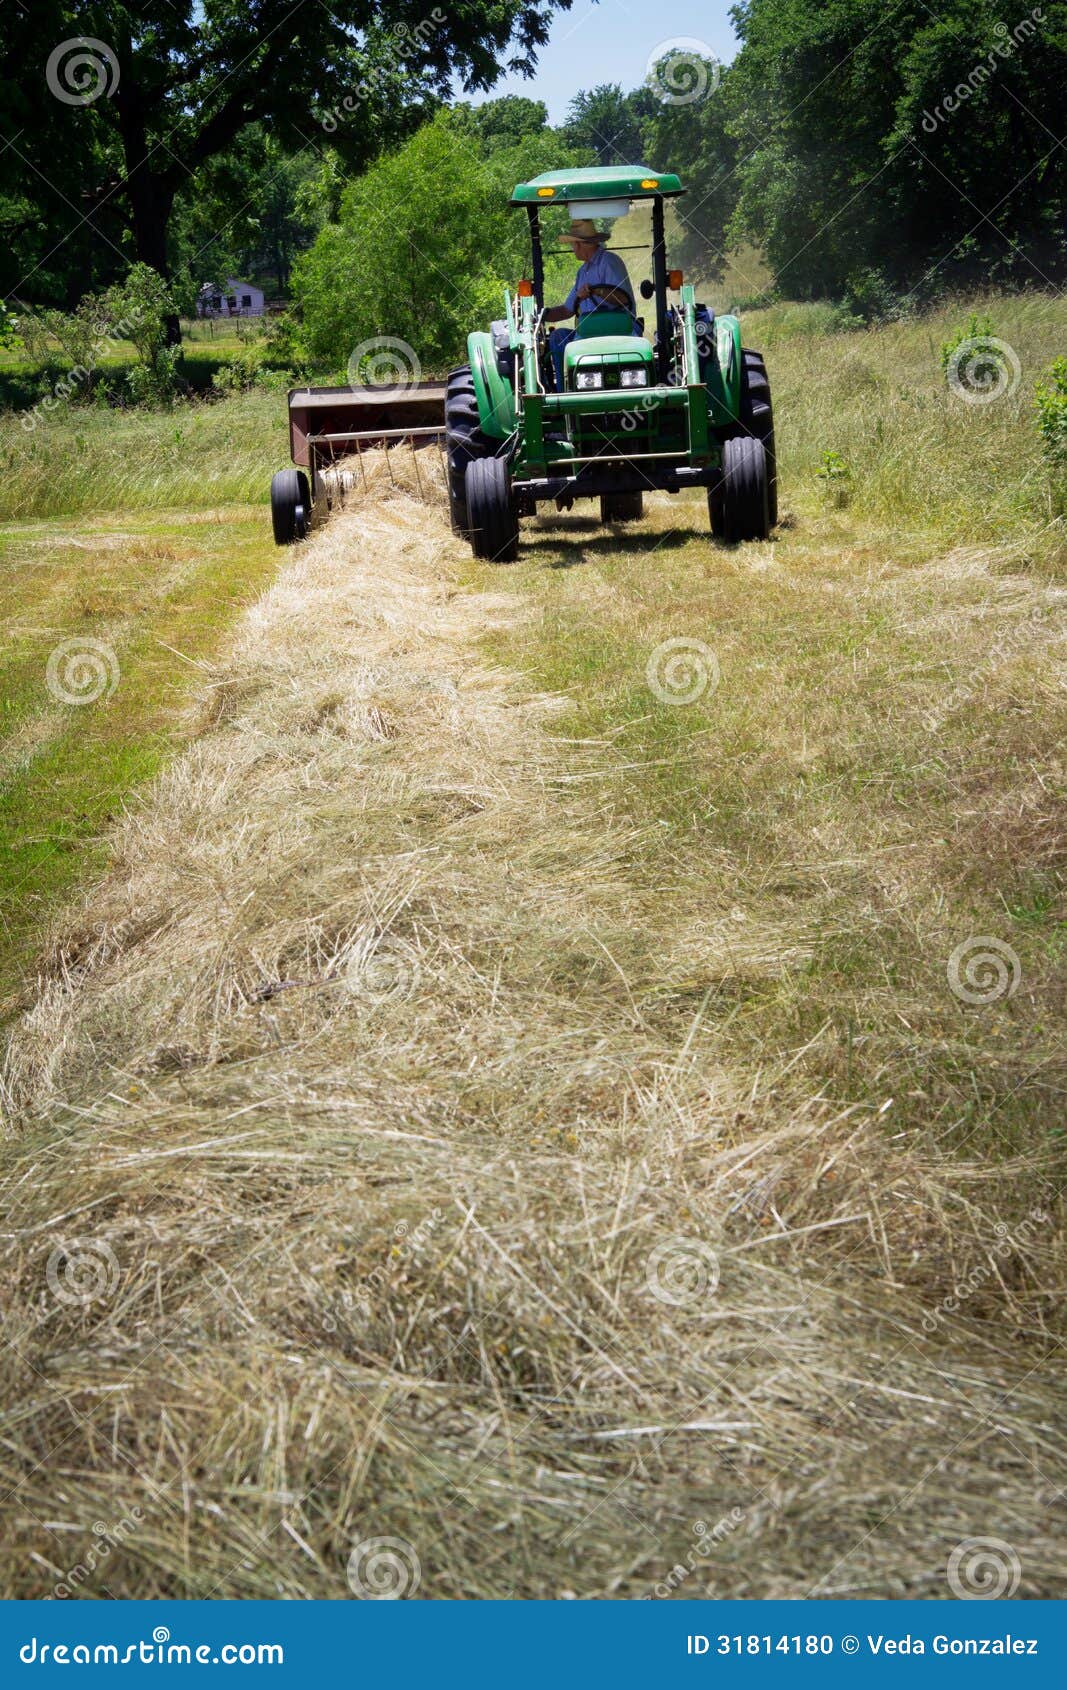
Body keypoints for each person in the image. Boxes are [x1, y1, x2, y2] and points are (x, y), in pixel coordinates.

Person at [543, 220, 635, 390]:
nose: (572, 249)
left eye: (572, 244)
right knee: (558, 337)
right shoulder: (582, 272)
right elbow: (566, 309)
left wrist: (596, 292)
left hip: (618, 329)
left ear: (579, 244)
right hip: (589, 331)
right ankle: (563, 392)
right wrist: (542, 314)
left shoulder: (609, 262)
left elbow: (622, 299)